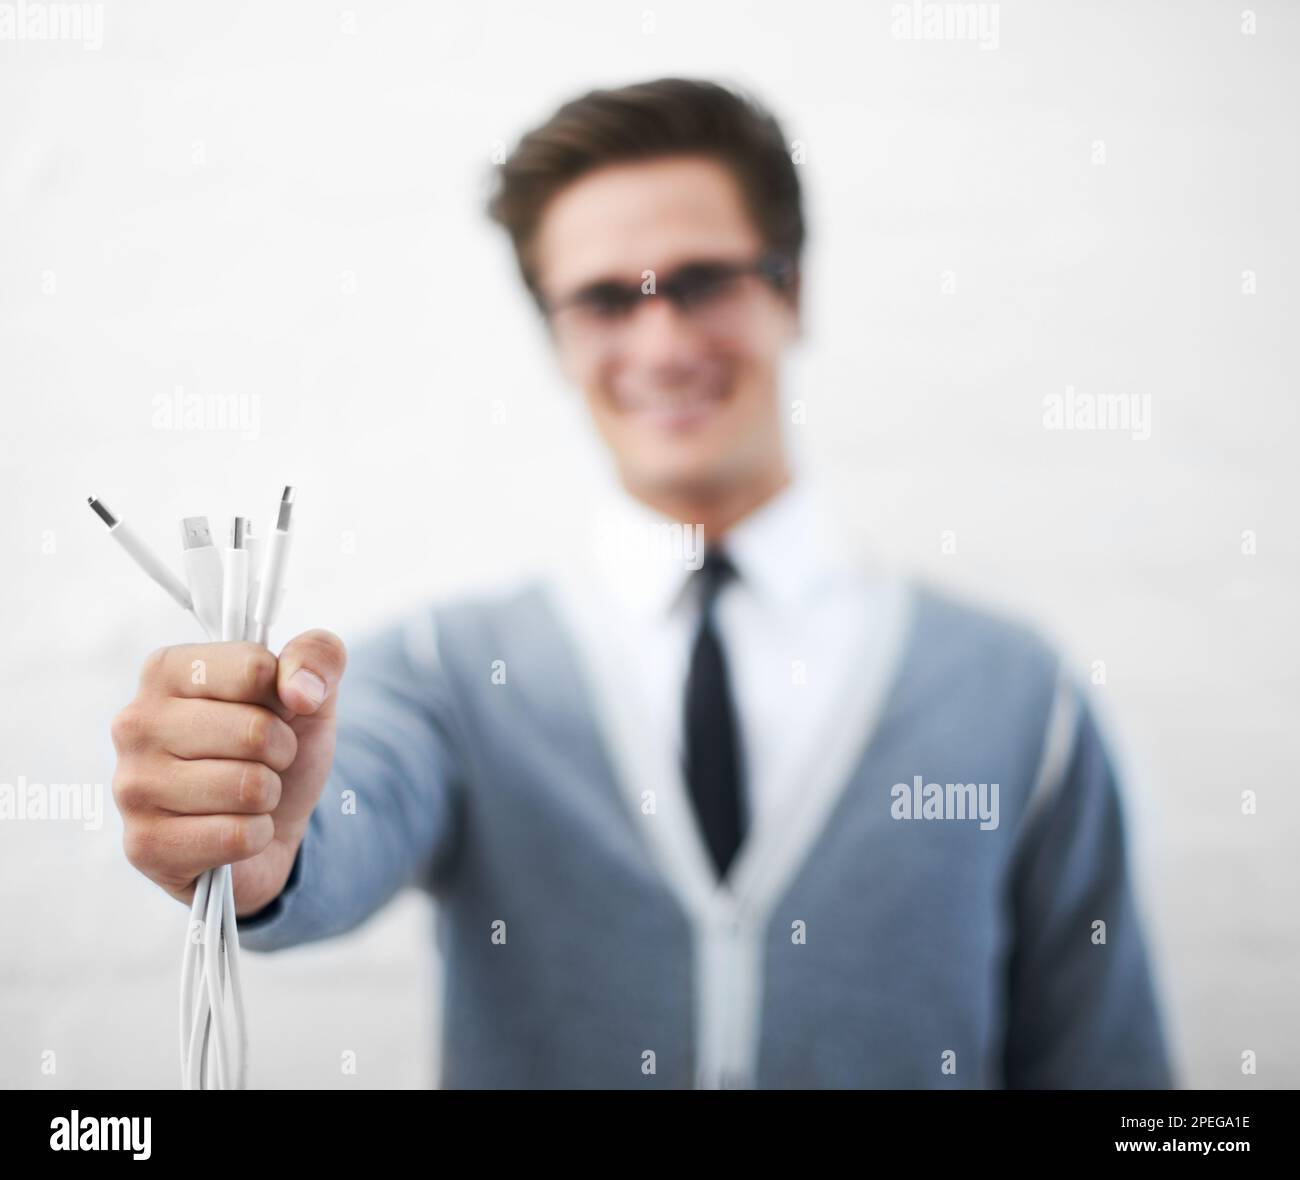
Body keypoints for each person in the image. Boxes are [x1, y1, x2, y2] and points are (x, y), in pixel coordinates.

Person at [109, 77, 1175, 1089]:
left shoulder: (1015, 694)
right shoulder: (449, 668)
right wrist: (261, 843)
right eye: (607, 299)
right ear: (555, 337)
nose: (661, 343)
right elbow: (336, 822)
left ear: (791, 292)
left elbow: (1109, 1068)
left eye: (703, 281)